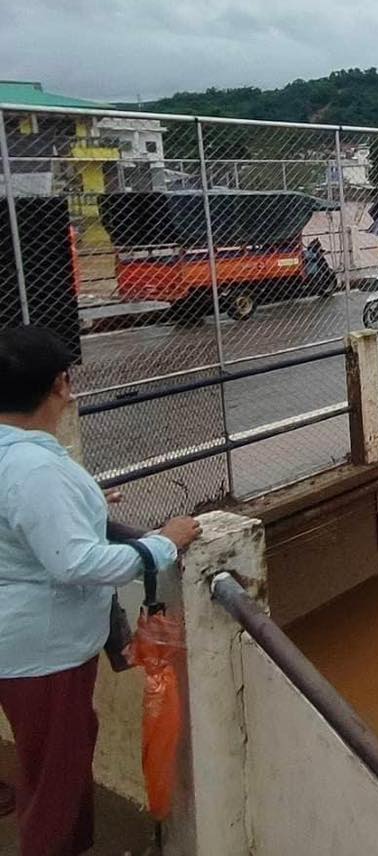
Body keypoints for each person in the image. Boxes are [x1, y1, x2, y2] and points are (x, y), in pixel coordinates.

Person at [0, 325, 200, 856]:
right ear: (61, 384)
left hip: (22, 646)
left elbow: (25, 522)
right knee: (56, 781)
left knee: (55, 762)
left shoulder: (14, 455)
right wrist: (163, 543)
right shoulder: (36, 469)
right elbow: (76, 563)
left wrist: (83, 504)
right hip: (46, 651)